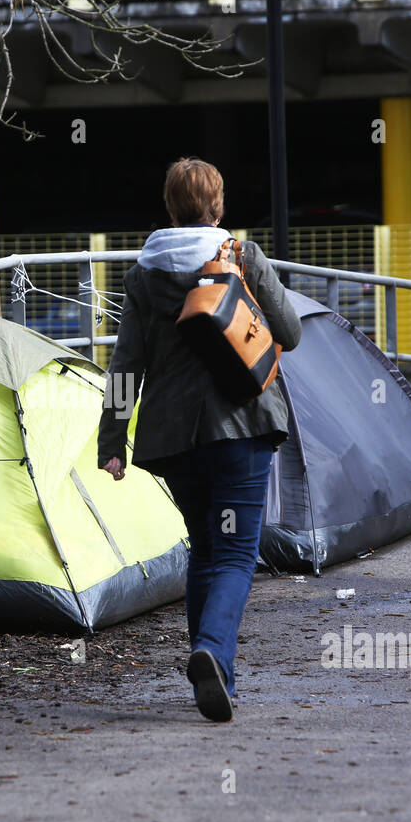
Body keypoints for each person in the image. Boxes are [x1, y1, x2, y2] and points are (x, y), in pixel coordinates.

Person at [97, 157, 302, 722]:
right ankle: (211, 652)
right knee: (237, 552)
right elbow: (290, 333)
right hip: (241, 427)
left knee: (205, 551)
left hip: (174, 441)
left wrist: (111, 440)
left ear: (170, 208)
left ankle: (213, 679)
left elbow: (125, 366)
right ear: (217, 206)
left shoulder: (142, 276)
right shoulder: (241, 258)